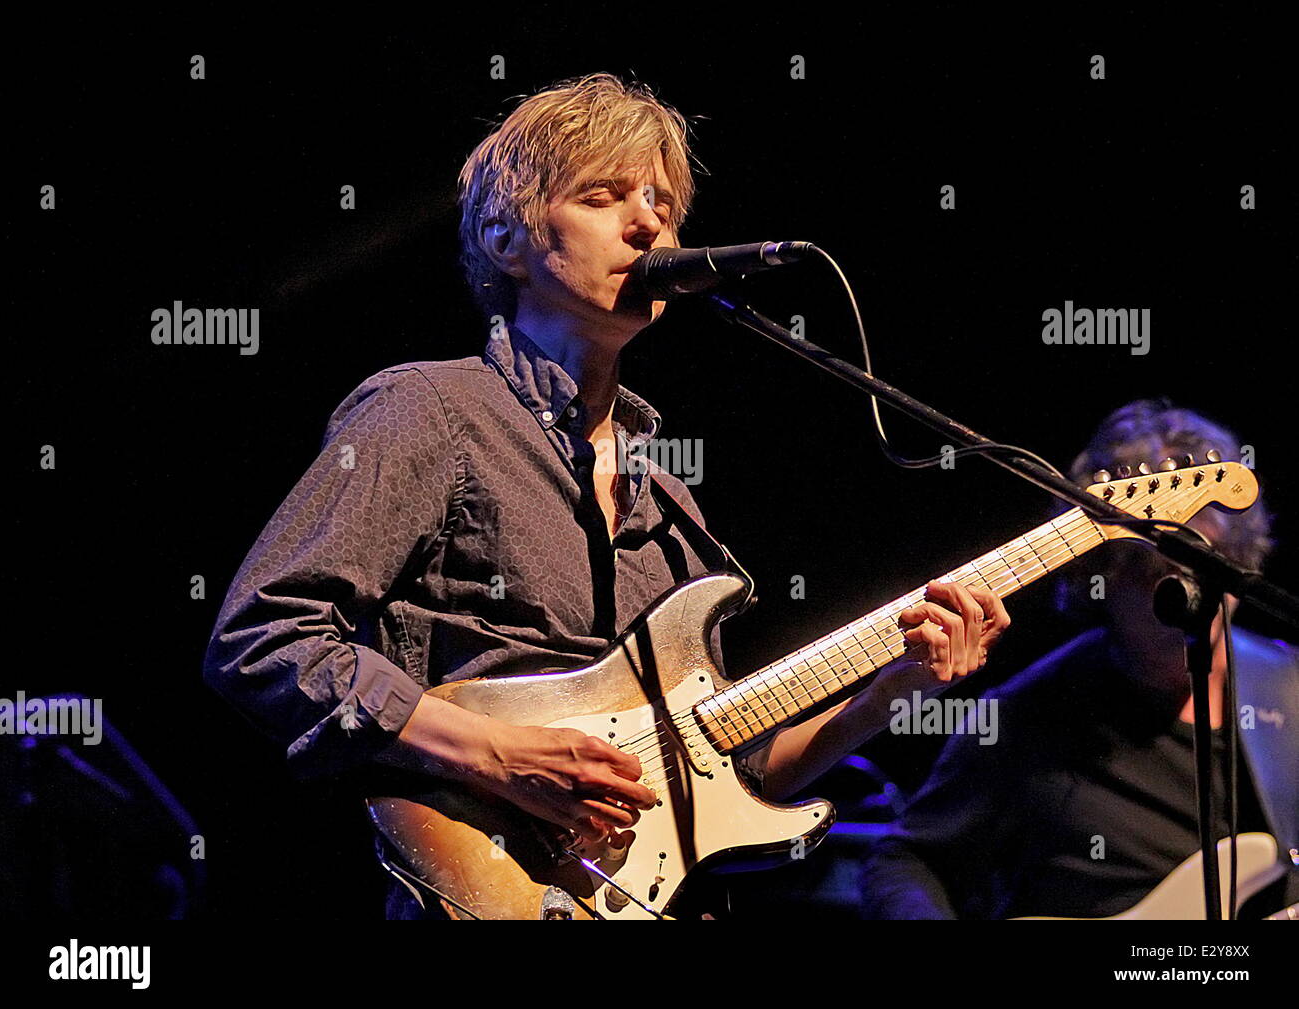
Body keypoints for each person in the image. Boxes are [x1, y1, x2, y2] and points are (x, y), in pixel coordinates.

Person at [202, 72, 1010, 918]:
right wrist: (497, 752)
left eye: (661, 202)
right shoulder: (431, 411)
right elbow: (261, 634)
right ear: (505, 238)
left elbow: (723, 776)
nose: (649, 221)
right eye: (604, 195)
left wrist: (892, 693)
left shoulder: (670, 509)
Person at [858, 399, 1299, 919]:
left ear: (1239, 564)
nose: (1177, 591)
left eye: (1203, 564)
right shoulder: (1029, 714)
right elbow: (907, 861)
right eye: (1144, 565)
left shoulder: (1290, 691)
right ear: (1099, 577)